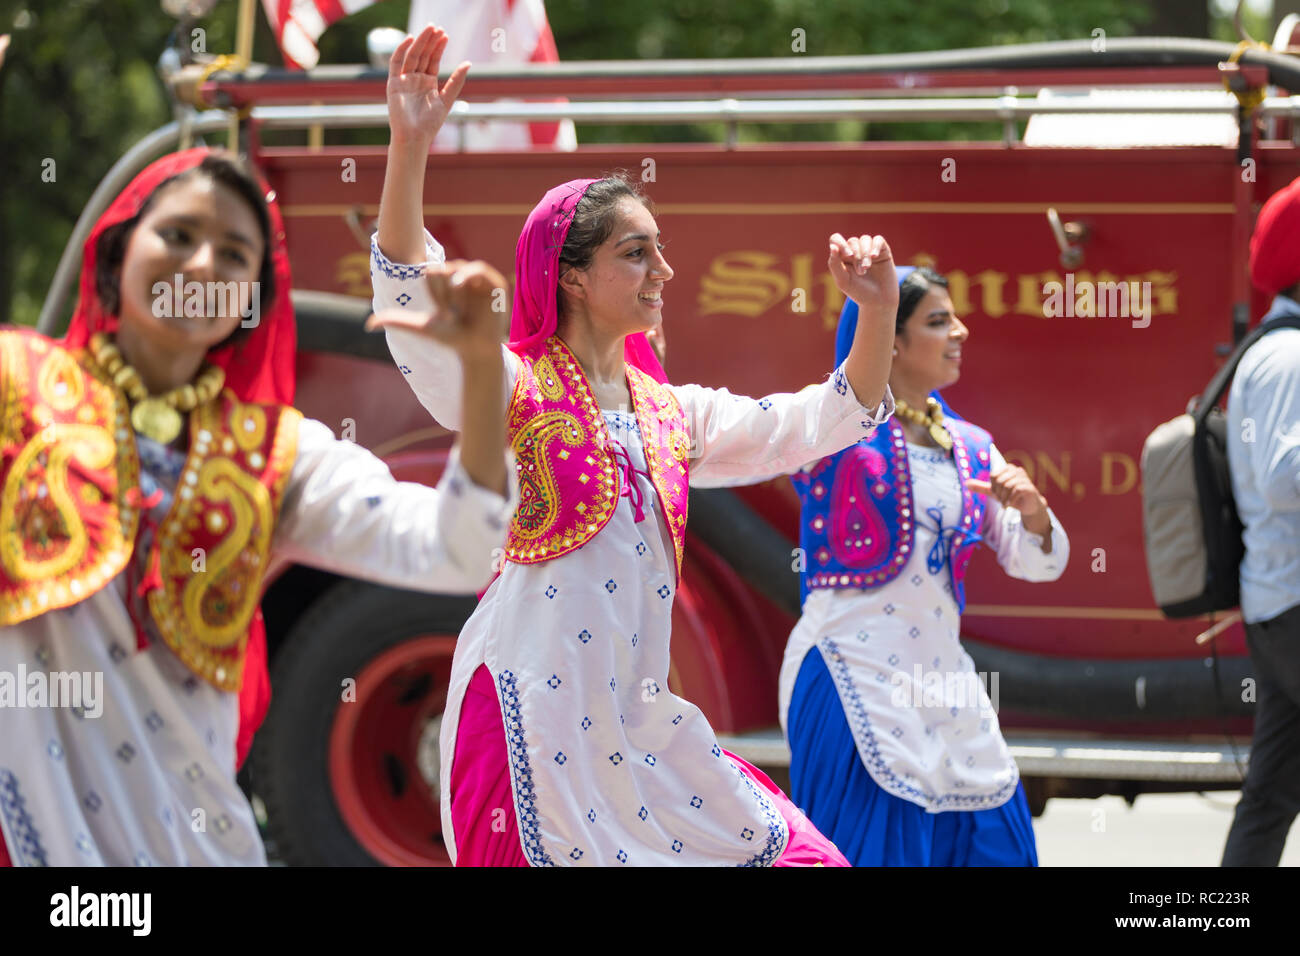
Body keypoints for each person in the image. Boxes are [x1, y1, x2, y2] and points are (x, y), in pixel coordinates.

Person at [368, 25, 896, 866]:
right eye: (636, 252)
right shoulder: (510, 385)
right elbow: (411, 303)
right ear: (571, 275)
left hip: (641, 730)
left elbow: (813, 424)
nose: (664, 271)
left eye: (661, 251)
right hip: (528, 719)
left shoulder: (670, 413)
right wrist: (409, 144)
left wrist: (875, 310)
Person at [0, 146, 515, 866]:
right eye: (177, 235)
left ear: (251, 299)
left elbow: (458, 551)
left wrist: (484, 372)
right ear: (118, 253)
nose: (203, 265)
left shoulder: (274, 454)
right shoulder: (18, 389)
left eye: (234, 253)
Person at [780, 266, 1069, 866]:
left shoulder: (972, 445)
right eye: (939, 321)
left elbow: (1027, 557)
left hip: (941, 677)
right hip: (850, 671)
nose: (960, 332)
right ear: (889, 337)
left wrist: (1035, 515)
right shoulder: (830, 433)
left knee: (994, 840)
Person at [1221, 176, 1300, 867]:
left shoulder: (1276, 349)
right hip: (1296, 602)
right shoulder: (1292, 356)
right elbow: (1285, 476)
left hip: (1280, 603)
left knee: (1273, 790)